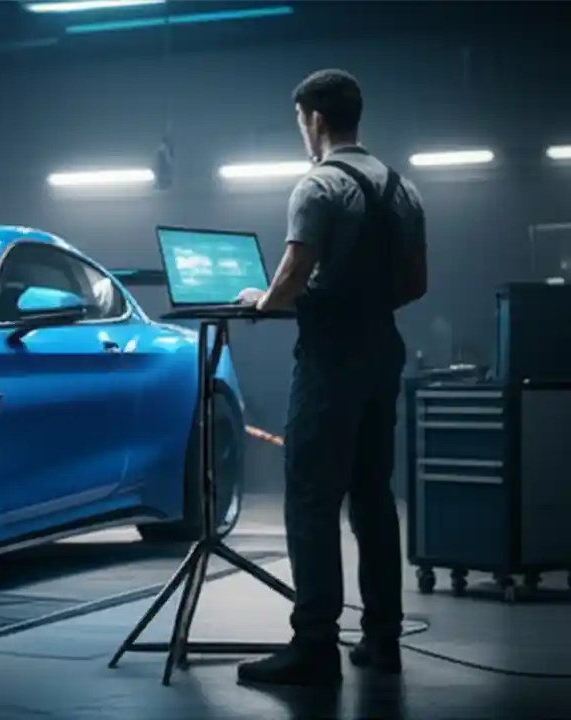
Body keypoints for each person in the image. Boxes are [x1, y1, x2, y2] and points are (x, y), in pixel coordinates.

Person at [233, 69, 428, 685]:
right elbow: (417, 284)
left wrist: (261, 301)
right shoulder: (403, 189)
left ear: (313, 118)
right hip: (383, 351)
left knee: (313, 497)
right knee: (373, 496)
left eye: (299, 122)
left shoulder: (317, 187)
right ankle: (382, 639)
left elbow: (290, 279)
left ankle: (314, 646)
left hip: (330, 359)